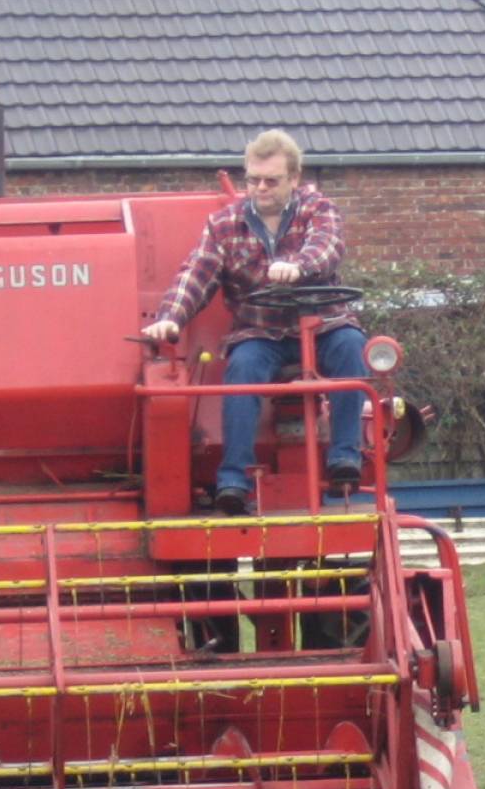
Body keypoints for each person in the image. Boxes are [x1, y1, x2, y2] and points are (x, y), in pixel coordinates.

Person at [142, 130, 367, 515]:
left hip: (322, 326)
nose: (260, 188)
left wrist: (298, 266)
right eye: (253, 180)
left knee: (351, 346)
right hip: (261, 331)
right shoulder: (224, 225)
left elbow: (327, 247)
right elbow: (196, 274)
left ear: (294, 178)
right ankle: (234, 479)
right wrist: (169, 319)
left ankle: (345, 458)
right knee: (242, 367)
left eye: (271, 181)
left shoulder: (318, 209)